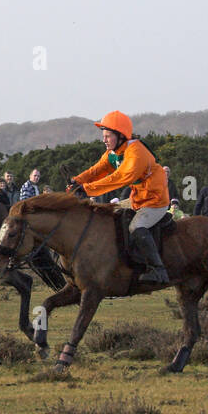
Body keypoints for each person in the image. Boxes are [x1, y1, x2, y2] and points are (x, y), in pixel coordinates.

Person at [69, 110, 169, 284]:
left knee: (136, 228)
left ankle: (158, 270)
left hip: (156, 201)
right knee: (107, 215)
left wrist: (88, 190)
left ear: (121, 136)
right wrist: (77, 181)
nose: (104, 140)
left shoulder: (136, 153)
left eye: (108, 136)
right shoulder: (113, 153)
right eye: (104, 136)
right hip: (138, 199)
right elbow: (96, 170)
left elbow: (120, 178)